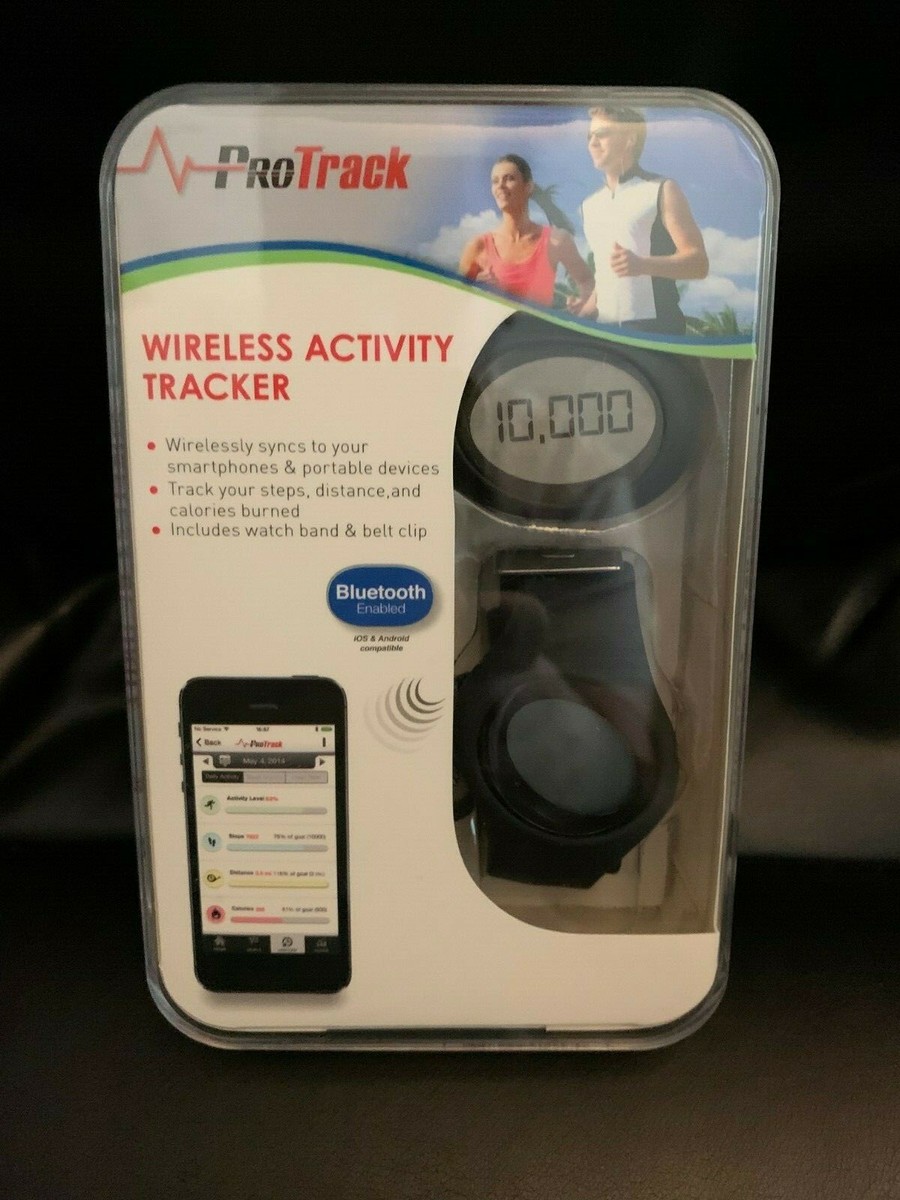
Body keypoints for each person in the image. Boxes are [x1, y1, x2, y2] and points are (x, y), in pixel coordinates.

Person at [570, 105, 708, 333]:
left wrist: (642, 265)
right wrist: (580, 316)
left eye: (602, 134)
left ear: (630, 139)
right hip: (605, 333)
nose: (592, 143)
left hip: (657, 332)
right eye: (589, 136)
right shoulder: (589, 206)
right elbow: (606, 279)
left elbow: (699, 264)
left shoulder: (662, 189)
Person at [459, 154, 594, 308]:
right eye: (495, 181)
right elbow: (457, 302)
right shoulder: (478, 246)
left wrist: (583, 306)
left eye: (509, 179)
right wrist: (476, 290)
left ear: (528, 187)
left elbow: (588, 282)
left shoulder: (556, 241)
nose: (500, 186)